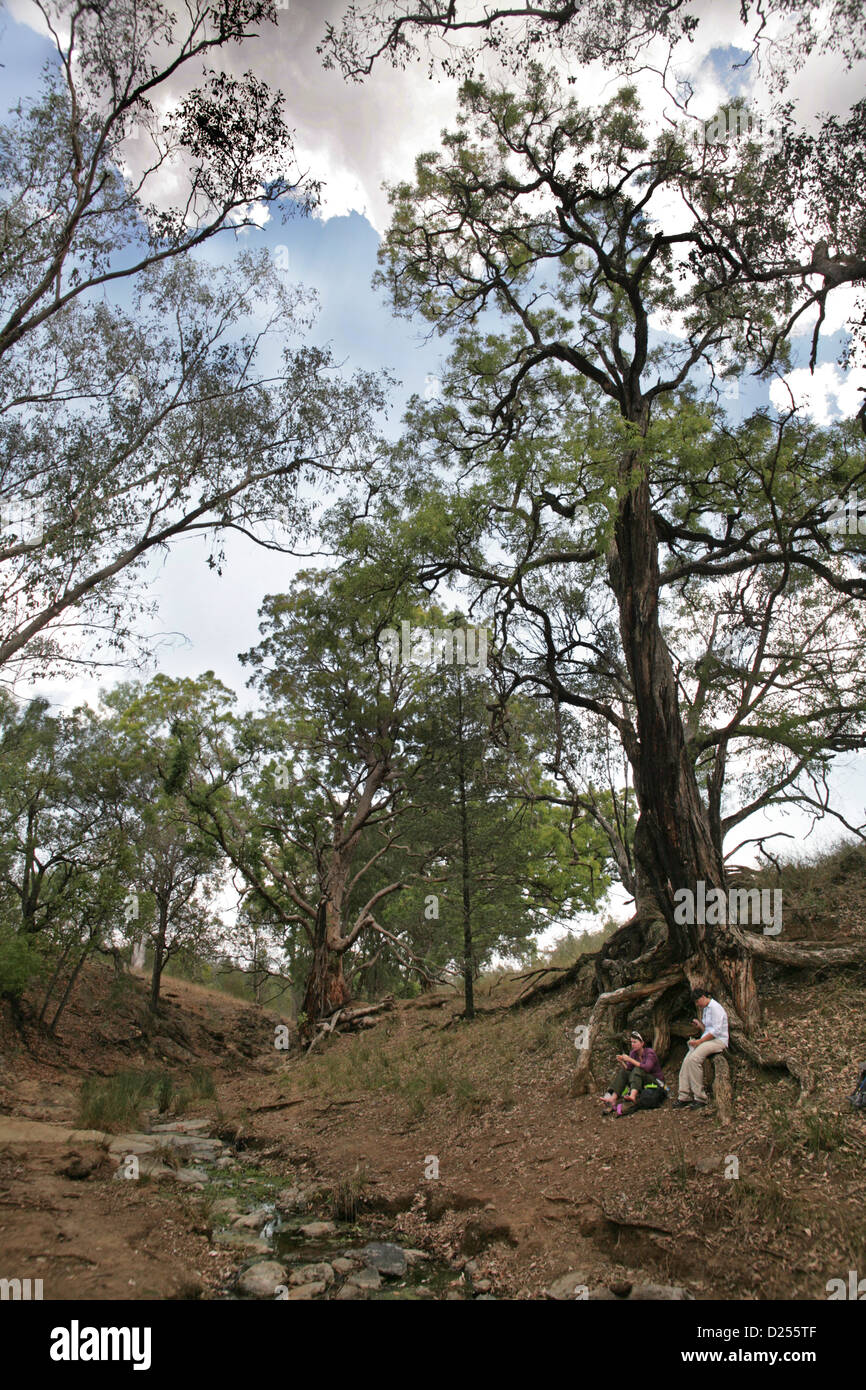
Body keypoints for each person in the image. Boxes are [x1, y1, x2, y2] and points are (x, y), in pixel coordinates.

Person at [673, 988, 729, 1111]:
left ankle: (700, 1097)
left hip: (718, 1041)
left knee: (694, 1059)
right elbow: (708, 1029)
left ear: (703, 997)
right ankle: (684, 1095)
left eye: (698, 1001)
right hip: (707, 1039)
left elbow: (716, 1031)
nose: (698, 1005)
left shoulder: (716, 1008)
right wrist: (700, 1026)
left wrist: (700, 1042)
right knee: (687, 1060)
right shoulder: (706, 1009)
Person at [601, 1031, 665, 1116]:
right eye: (631, 1042)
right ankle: (613, 1098)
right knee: (624, 1072)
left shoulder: (650, 1053)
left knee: (638, 1070)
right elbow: (629, 1069)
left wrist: (630, 1060)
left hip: (656, 1082)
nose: (633, 1044)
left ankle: (633, 1096)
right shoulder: (633, 1053)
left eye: (635, 1042)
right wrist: (622, 1062)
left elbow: (647, 1067)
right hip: (642, 1081)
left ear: (642, 1043)